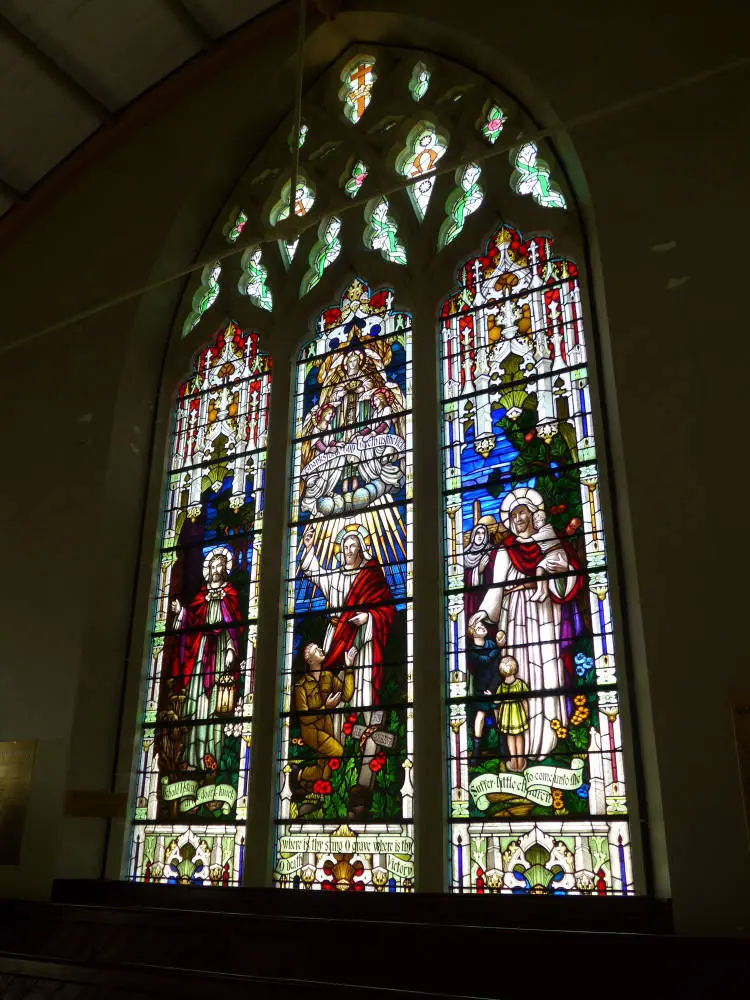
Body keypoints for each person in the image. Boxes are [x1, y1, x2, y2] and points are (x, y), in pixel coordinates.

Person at [477, 487, 582, 759]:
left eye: (523, 512)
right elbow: (496, 589)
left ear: (533, 514)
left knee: (546, 667)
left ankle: (551, 737)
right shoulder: (505, 550)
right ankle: (523, 746)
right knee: (519, 670)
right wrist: (483, 614)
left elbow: (565, 565)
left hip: (545, 615)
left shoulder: (549, 538)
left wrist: (546, 569)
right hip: (514, 617)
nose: (518, 518)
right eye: (513, 515)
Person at [299, 523, 394, 710]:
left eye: (352, 546)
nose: (348, 551)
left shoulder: (370, 575)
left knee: (361, 682)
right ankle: (337, 728)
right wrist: (309, 547)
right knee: (332, 684)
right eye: (345, 547)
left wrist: (369, 618)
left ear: (361, 548)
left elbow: (388, 610)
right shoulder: (335, 576)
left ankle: (363, 723)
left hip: (362, 640)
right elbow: (314, 573)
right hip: (335, 638)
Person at [170, 546, 242, 771]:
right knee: (198, 699)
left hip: (220, 651)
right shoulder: (201, 595)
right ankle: (192, 758)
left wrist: (231, 648)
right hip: (202, 652)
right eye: (213, 566)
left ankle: (214, 760)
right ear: (207, 570)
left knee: (215, 706)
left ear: (225, 570)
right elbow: (192, 621)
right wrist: (181, 612)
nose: (216, 569)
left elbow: (235, 625)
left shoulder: (230, 593)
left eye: (220, 566)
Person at [293, 643, 357, 807]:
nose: (321, 650)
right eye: (316, 650)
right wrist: (325, 708)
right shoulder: (301, 685)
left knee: (323, 768)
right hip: (310, 730)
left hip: (326, 727)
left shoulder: (328, 676)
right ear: (309, 660)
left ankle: (299, 776)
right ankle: (317, 789)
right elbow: (303, 718)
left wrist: (349, 667)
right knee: (338, 751)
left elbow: (347, 695)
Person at [466, 613, 504, 765]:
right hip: (481, 687)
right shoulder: (473, 651)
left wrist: (493, 688)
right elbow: (484, 660)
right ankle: (476, 751)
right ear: (472, 633)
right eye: (478, 627)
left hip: (494, 685)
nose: (482, 627)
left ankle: (503, 748)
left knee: (498, 715)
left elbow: (497, 664)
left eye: (482, 625)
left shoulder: (490, 644)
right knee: (480, 716)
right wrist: (498, 649)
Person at [495, 655, 530, 772]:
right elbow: (525, 701)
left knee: (510, 737)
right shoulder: (520, 684)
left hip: (506, 715)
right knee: (519, 737)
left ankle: (514, 763)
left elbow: (496, 701)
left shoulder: (501, 687)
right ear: (515, 668)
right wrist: (526, 714)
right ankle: (520, 763)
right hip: (518, 714)